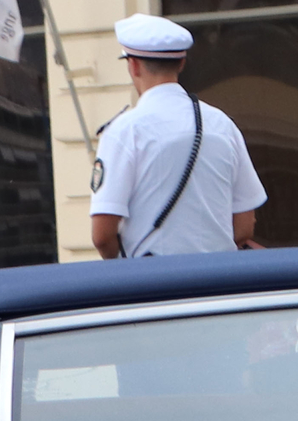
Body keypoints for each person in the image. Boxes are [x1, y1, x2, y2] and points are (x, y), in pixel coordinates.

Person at [90, 14, 267, 257]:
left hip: (156, 285)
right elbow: (244, 225)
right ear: (181, 64)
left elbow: (101, 236)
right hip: (219, 282)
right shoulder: (222, 124)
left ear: (133, 65)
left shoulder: (125, 131)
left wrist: (126, 271)